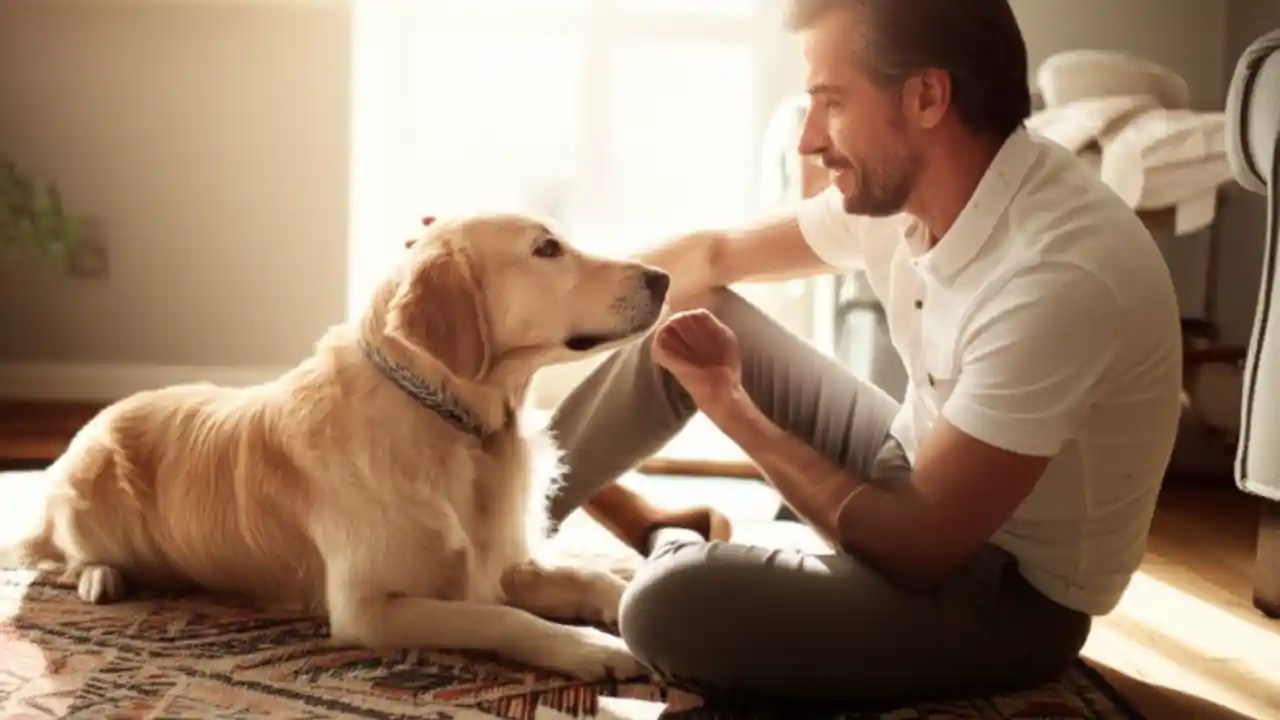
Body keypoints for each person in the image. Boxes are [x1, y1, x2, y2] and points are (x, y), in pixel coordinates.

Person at [544, 0, 1184, 706]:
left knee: (664, 607)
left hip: (1008, 596)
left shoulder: (1059, 274)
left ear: (927, 96)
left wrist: (732, 408)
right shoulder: (912, 194)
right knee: (686, 315)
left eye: (832, 103)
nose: (809, 141)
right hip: (909, 469)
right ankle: (498, 529)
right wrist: (532, 316)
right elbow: (710, 256)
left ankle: (669, 543)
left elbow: (917, 548)